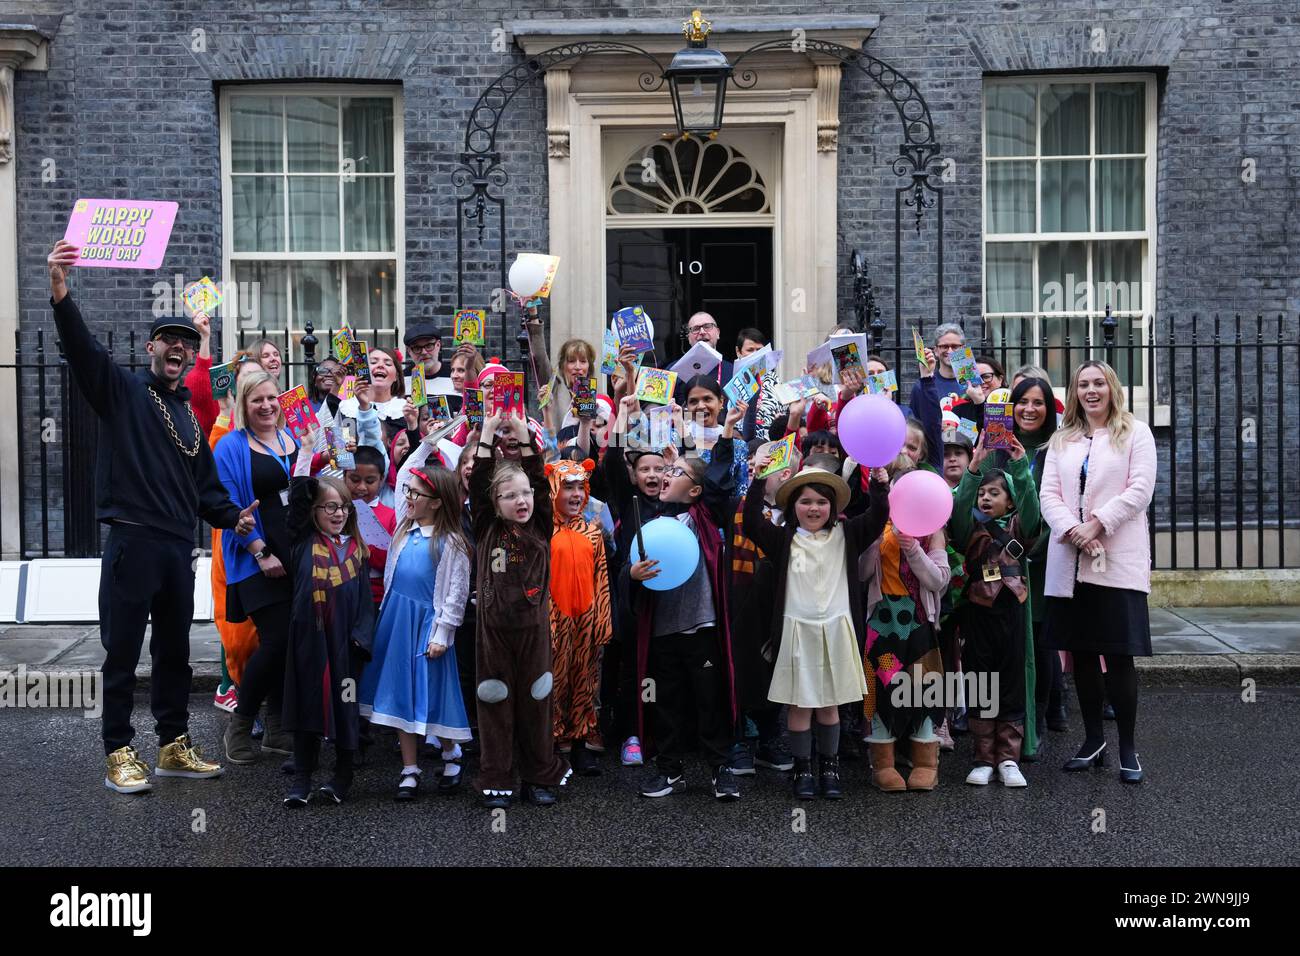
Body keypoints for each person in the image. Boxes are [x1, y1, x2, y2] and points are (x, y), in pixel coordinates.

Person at [47, 238, 256, 795]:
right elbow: (84, 352)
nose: (178, 348)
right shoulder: (124, 392)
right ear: (151, 348)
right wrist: (61, 292)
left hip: (176, 549)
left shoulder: (187, 416)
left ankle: (172, 744)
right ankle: (118, 750)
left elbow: (205, 487)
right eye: (169, 340)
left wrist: (232, 517)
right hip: (133, 543)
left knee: (174, 652)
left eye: (186, 343)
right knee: (121, 651)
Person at [743, 455, 891, 798]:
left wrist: (880, 484)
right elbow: (750, 523)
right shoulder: (783, 539)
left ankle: (829, 768)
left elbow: (878, 516)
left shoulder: (847, 534)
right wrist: (758, 481)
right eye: (805, 501)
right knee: (799, 706)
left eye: (822, 502)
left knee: (829, 706)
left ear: (833, 507)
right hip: (797, 632)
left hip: (837, 631)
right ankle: (802, 769)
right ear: (793, 506)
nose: (813, 508)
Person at [1040, 360, 1157, 784]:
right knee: (1083, 656)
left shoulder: (1136, 432)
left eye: (1098, 383)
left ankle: (1127, 746)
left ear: (1112, 388)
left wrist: (1097, 524)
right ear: (1074, 392)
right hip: (1070, 562)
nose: (1091, 391)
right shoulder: (1062, 439)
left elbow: (1140, 490)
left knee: (1119, 656)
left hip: (1116, 561)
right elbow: (1048, 494)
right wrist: (1073, 530)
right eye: (1083, 384)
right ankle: (1093, 741)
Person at [629, 402, 745, 801]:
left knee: (710, 701)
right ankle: (669, 770)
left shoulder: (704, 516)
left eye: (675, 472)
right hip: (662, 631)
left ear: (695, 491)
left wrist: (726, 432)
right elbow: (631, 568)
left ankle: (720, 769)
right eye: (666, 471)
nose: (666, 475)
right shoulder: (652, 522)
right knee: (665, 703)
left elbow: (716, 481)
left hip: (702, 628)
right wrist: (633, 575)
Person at [469, 412, 572, 808]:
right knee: (494, 701)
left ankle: (539, 774)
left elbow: (541, 484)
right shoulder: (486, 528)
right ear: (495, 504)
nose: (522, 500)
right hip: (493, 636)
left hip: (534, 633)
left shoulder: (540, 526)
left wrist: (525, 437)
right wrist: (488, 433)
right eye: (511, 496)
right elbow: (479, 482)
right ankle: (497, 776)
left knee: (536, 701)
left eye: (525, 493)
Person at [360, 439, 473, 800]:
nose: (408, 497)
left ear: (437, 502)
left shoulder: (451, 541)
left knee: (434, 692)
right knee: (400, 695)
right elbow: (408, 471)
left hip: (428, 627)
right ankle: (410, 769)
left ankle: (451, 752)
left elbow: (455, 594)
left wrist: (442, 633)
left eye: (416, 494)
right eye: (407, 492)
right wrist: (426, 445)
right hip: (396, 621)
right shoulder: (403, 528)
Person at [281, 442, 375, 806]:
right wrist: (307, 452)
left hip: (345, 647)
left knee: (345, 708)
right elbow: (298, 497)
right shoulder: (303, 541)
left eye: (343, 507)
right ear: (314, 511)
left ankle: (342, 776)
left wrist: (361, 638)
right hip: (309, 644)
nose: (337, 514)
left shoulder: (357, 551)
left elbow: (365, 603)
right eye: (329, 507)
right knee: (307, 706)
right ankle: (302, 779)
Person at [215, 370, 301, 764]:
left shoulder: (294, 437)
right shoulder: (230, 446)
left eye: (271, 398)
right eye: (256, 400)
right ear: (244, 405)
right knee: (276, 640)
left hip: (297, 555)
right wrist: (260, 551)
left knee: (291, 643)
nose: (266, 406)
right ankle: (241, 724)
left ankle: (278, 728)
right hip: (258, 557)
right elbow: (228, 505)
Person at [948, 432, 1039, 787]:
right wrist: (972, 470)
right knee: (981, 682)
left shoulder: (1020, 526)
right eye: (982, 493)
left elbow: (1032, 510)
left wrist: (1020, 466)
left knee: (1012, 683)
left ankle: (1008, 759)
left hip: (1012, 614)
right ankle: (984, 758)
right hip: (978, 615)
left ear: (1010, 501)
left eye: (995, 493)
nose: (986, 498)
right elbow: (959, 509)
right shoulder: (969, 526)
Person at [860, 456, 952, 792]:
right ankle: (882, 764)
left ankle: (926, 762)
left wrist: (914, 549)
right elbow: (861, 574)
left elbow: (939, 581)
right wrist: (876, 539)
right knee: (881, 689)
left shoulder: (932, 533)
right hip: (882, 625)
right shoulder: (878, 526)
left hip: (918, 625)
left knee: (923, 691)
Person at [727, 439, 802, 777]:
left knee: (774, 667)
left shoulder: (798, 513)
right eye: (754, 463)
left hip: (781, 601)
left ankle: (770, 737)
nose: (756, 468)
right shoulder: (737, 505)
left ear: (786, 473)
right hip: (742, 597)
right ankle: (739, 740)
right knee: (742, 667)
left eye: (766, 465)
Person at [546, 457, 614, 775]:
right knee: (555, 681)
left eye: (580, 487)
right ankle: (555, 741)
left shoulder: (593, 533)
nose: (575, 494)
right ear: (552, 490)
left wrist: (603, 620)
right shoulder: (543, 533)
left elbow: (602, 580)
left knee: (585, 681)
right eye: (567, 487)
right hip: (555, 621)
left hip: (585, 622)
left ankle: (580, 741)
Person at [680, 374, 751, 497]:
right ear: (687, 407)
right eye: (693, 401)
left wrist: (730, 424)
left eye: (707, 399)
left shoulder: (738, 447)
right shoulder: (676, 439)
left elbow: (741, 494)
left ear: (721, 402)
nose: (701, 406)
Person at [671, 312, 735, 406]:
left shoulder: (733, 371)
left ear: (718, 333)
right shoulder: (672, 371)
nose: (702, 332)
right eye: (696, 329)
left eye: (707, 326)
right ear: (688, 337)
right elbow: (654, 408)